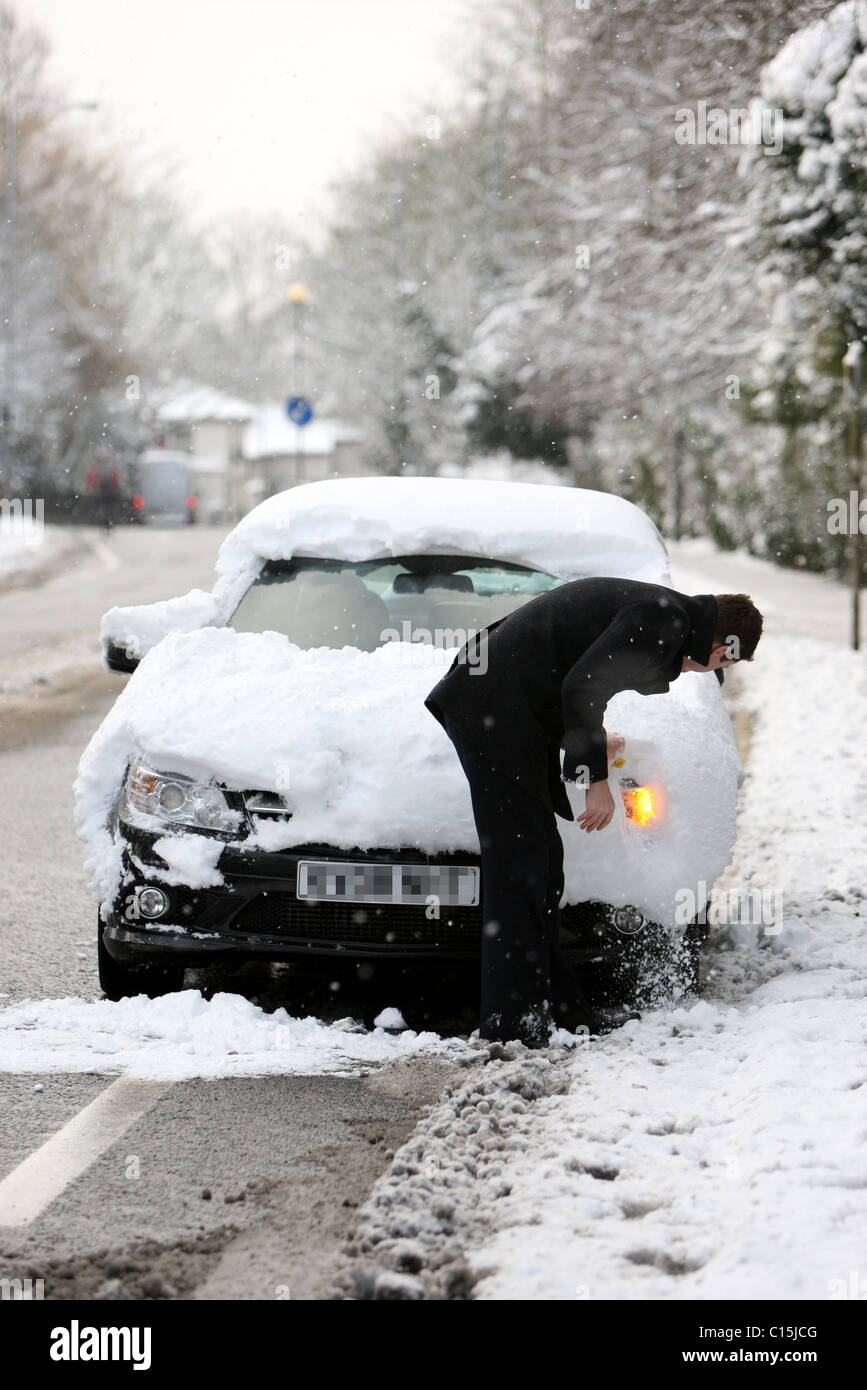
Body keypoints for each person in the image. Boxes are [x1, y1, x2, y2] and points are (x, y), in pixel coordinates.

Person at [424, 578, 763, 1048]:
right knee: (519, 873)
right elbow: (583, 685)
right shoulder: (663, 620)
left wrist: (595, 743)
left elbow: (571, 674)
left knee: (541, 869)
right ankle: (511, 1026)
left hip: (507, 709)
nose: (708, 671)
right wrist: (595, 782)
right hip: (492, 709)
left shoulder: (665, 615)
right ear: (722, 643)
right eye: (725, 660)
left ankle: (563, 1013)